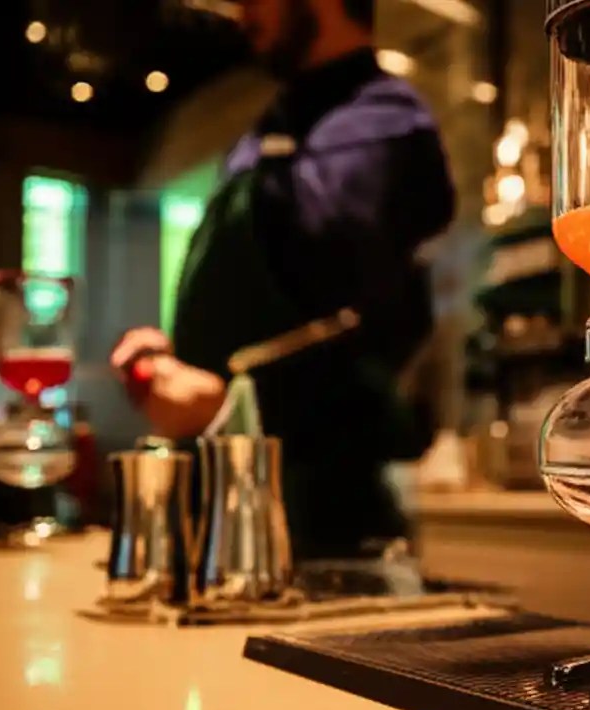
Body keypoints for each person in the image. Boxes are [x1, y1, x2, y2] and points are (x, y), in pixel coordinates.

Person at [110, 0, 455, 559]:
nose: (240, 13)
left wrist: (229, 407)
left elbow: (349, 319)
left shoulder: (385, 120)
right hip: (225, 492)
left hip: (317, 514)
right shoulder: (271, 127)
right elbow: (255, 303)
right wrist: (180, 364)